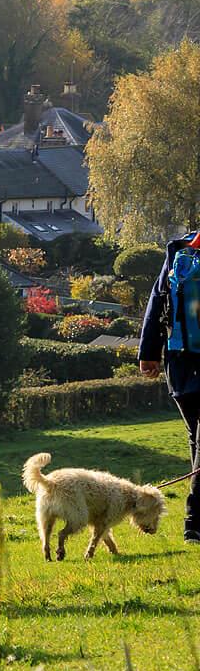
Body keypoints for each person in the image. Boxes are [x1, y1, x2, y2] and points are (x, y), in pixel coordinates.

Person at [138, 229, 200, 544]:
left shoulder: (180, 250)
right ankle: (194, 523)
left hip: (179, 362)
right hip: (186, 361)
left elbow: (157, 302)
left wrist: (148, 354)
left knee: (196, 440)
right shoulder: (178, 251)